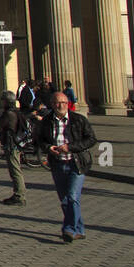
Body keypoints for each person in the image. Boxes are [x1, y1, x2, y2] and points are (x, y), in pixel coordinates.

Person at [36, 91, 98, 242]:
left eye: (64, 102)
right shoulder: (46, 121)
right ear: (52, 104)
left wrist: (70, 147)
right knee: (65, 199)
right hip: (57, 163)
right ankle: (79, 229)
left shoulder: (78, 120)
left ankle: (69, 229)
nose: (61, 105)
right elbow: (39, 140)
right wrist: (48, 147)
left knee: (72, 196)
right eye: (58, 102)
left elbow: (91, 139)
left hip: (76, 163)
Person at [0, 89, 27, 207]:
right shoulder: (16, 112)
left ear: (6, 101)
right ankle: (19, 194)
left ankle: (19, 195)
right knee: (15, 169)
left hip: (11, 144)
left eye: (2, 100)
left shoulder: (8, 114)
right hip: (15, 144)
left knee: (15, 170)